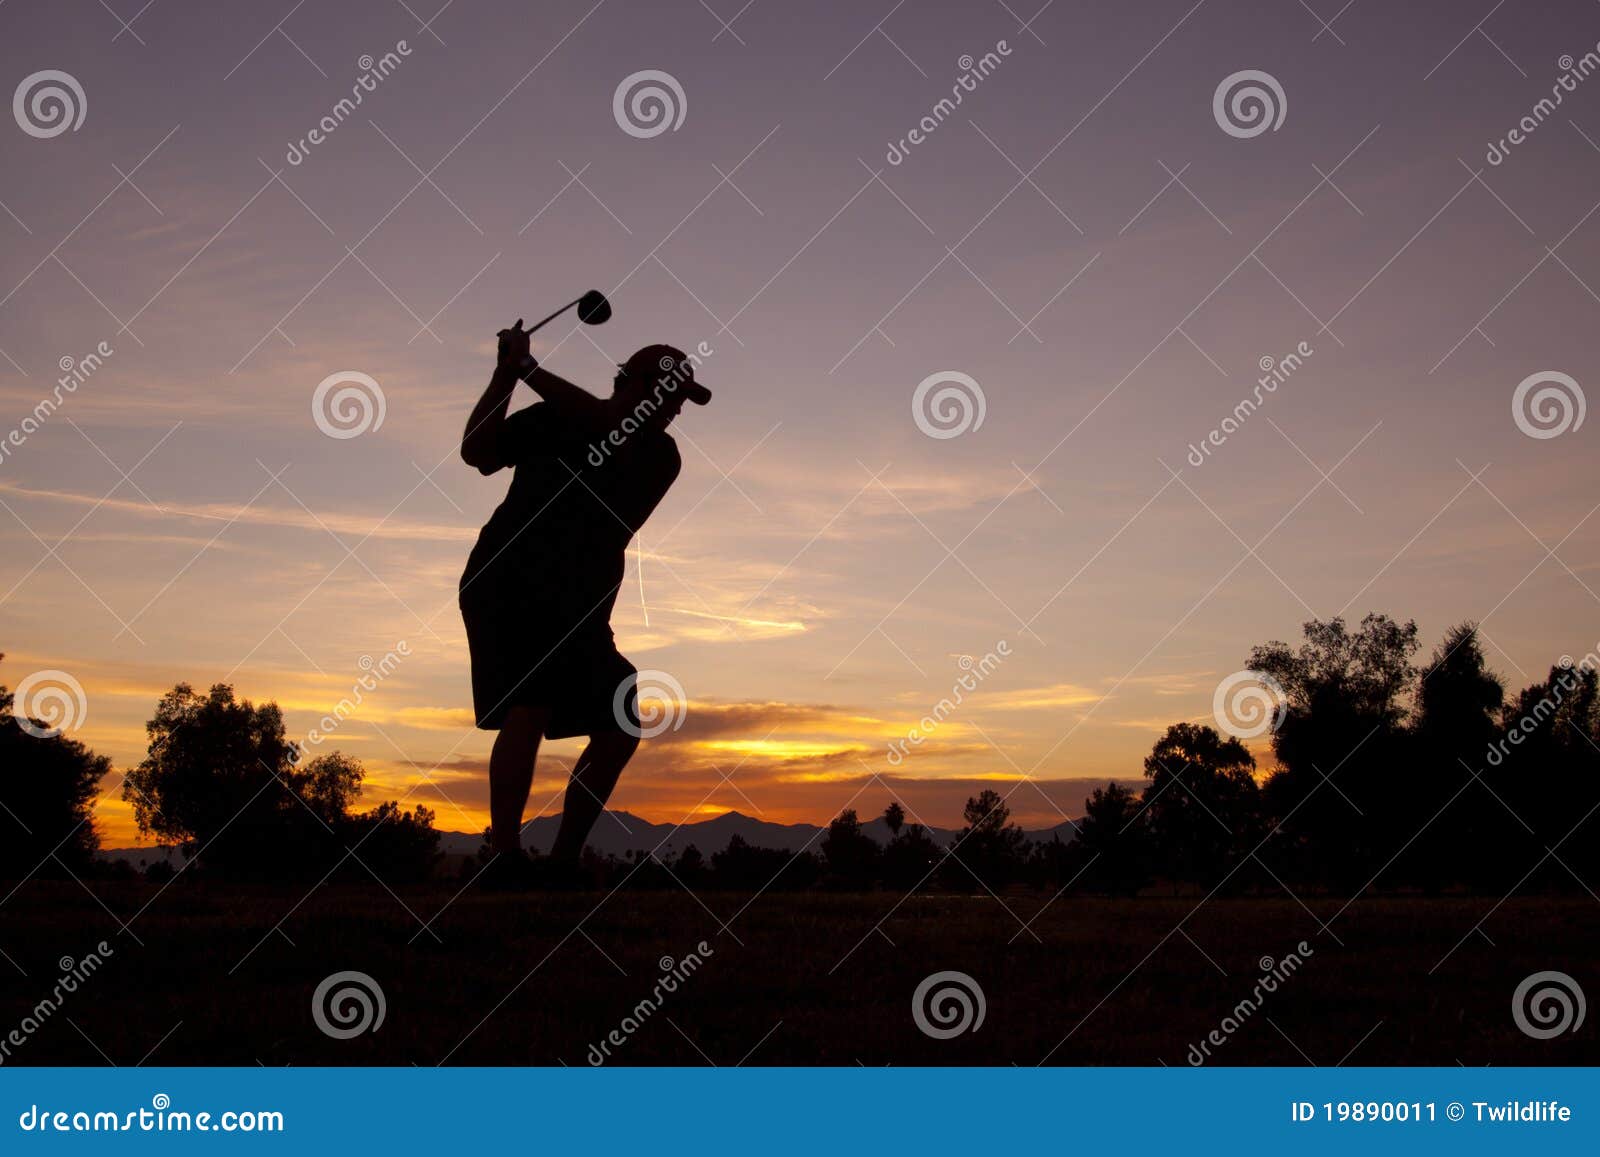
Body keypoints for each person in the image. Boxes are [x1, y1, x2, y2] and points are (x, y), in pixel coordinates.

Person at [459, 319, 711, 883]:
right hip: (509, 579)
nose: (674, 409)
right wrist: (504, 377)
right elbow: (477, 451)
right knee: (530, 704)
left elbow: (605, 422)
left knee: (622, 718)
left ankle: (563, 863)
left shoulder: (660, 455)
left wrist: (527, 369)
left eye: (681, 400)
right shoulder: (555, 417)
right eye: (667, 393)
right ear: (634, 382)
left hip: (580, 604)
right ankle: (504, 860)